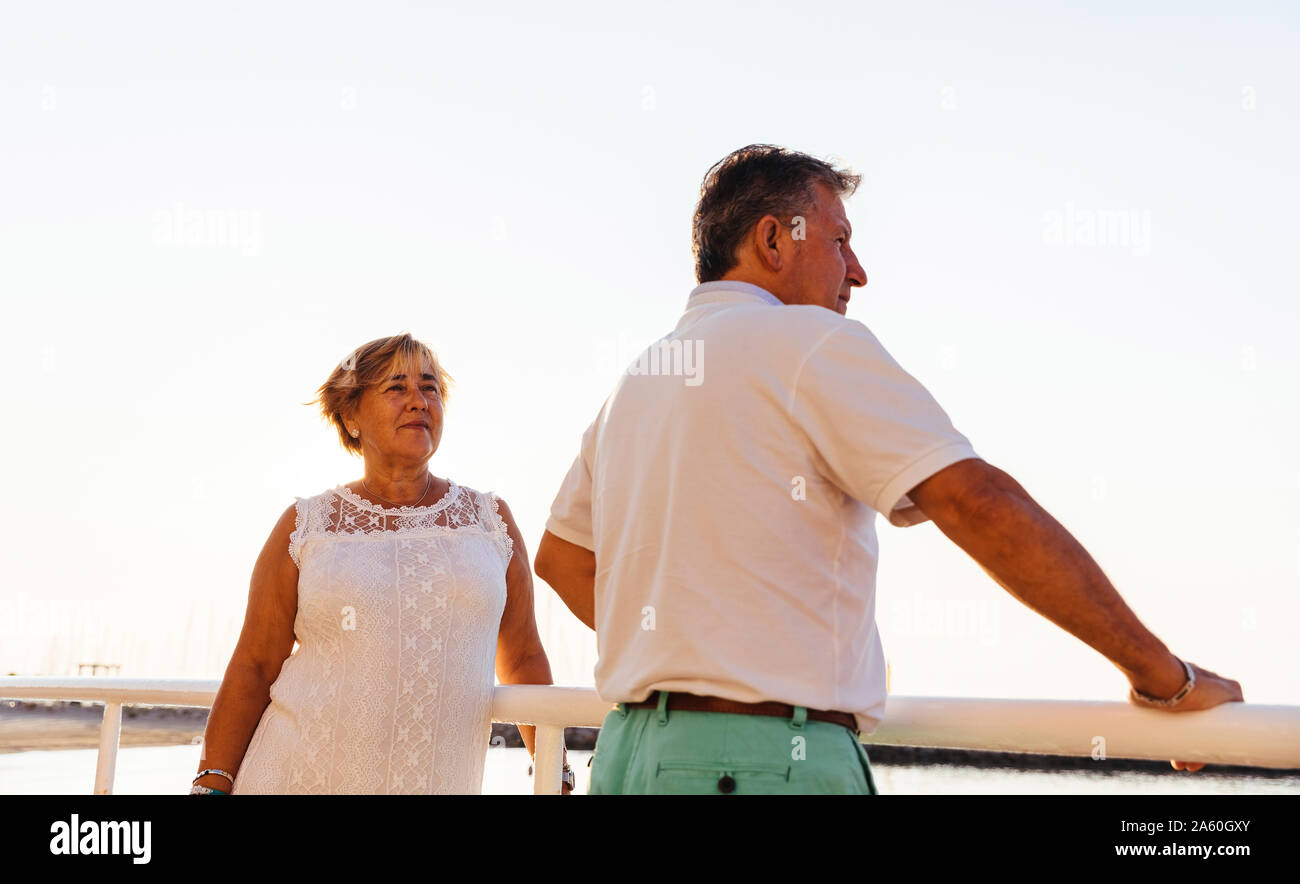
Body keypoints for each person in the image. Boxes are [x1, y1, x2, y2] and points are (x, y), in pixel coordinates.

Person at [534, 144, 1244, 794]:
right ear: (774, 240)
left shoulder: (642, 375)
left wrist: (689, 659)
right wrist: (1163, 678)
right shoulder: (808, 340)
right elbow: (975, 502)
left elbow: (563, 557)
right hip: (760, 764)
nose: (859, 271)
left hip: (629, 757)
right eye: (840, 240)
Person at [192, 333, 574, 794]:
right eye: (396, 388)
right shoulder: (308, 526)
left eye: (429, 387)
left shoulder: (489, 522)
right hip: (293, 778)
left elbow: (523, 656)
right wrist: (211, 785)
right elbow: (254, 666)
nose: (418, 401)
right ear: (351, 415)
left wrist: (556, 770)